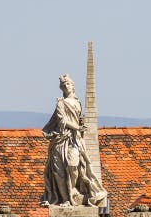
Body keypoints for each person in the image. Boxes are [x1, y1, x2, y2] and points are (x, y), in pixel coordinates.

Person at [40, 74, 107, 207]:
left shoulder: (77, 103)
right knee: (59, 172)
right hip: (61, 140)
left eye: (68, 84)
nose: (66, 86)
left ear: (73, 86)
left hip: (75, 139)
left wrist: (80, 125)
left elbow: (76, 118)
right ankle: (66, 198)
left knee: (73, 165)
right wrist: (78, 127)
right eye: (63, 85)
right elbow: (62, 121)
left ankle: (73, 191)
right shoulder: (61, 103)